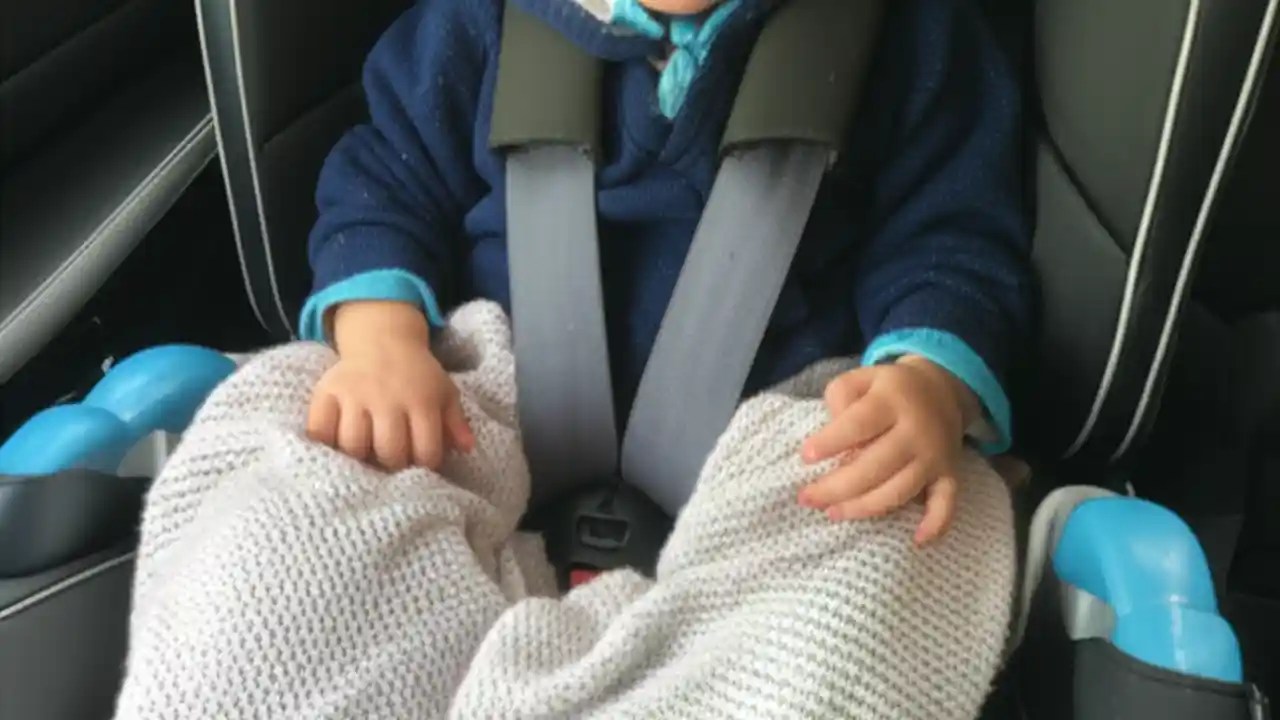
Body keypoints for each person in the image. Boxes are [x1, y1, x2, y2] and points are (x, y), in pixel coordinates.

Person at [300, 0, 1032, 545]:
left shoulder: (912, 35)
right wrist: (382, 345)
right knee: (311, 503)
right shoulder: (472, 24)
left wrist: (928, 385)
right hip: (475, 411)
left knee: (908, 537)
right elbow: (384, 186)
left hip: (785, 450)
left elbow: (953, 237)